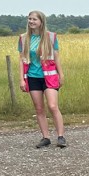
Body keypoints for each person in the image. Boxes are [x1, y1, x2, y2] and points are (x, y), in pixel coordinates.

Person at [18, 11, 67, 148]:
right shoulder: (23, 38)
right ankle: (46, 137)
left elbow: (56, 56)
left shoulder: (51, 37)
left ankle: (61, 136)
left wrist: (61, 74)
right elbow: (21, 59)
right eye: (29, 19)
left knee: (52, 106)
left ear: (41, 21)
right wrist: (21, 79)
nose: (31, 21)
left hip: (49, 76)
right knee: (39, 108)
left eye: (34, 19)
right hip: (33, 77)